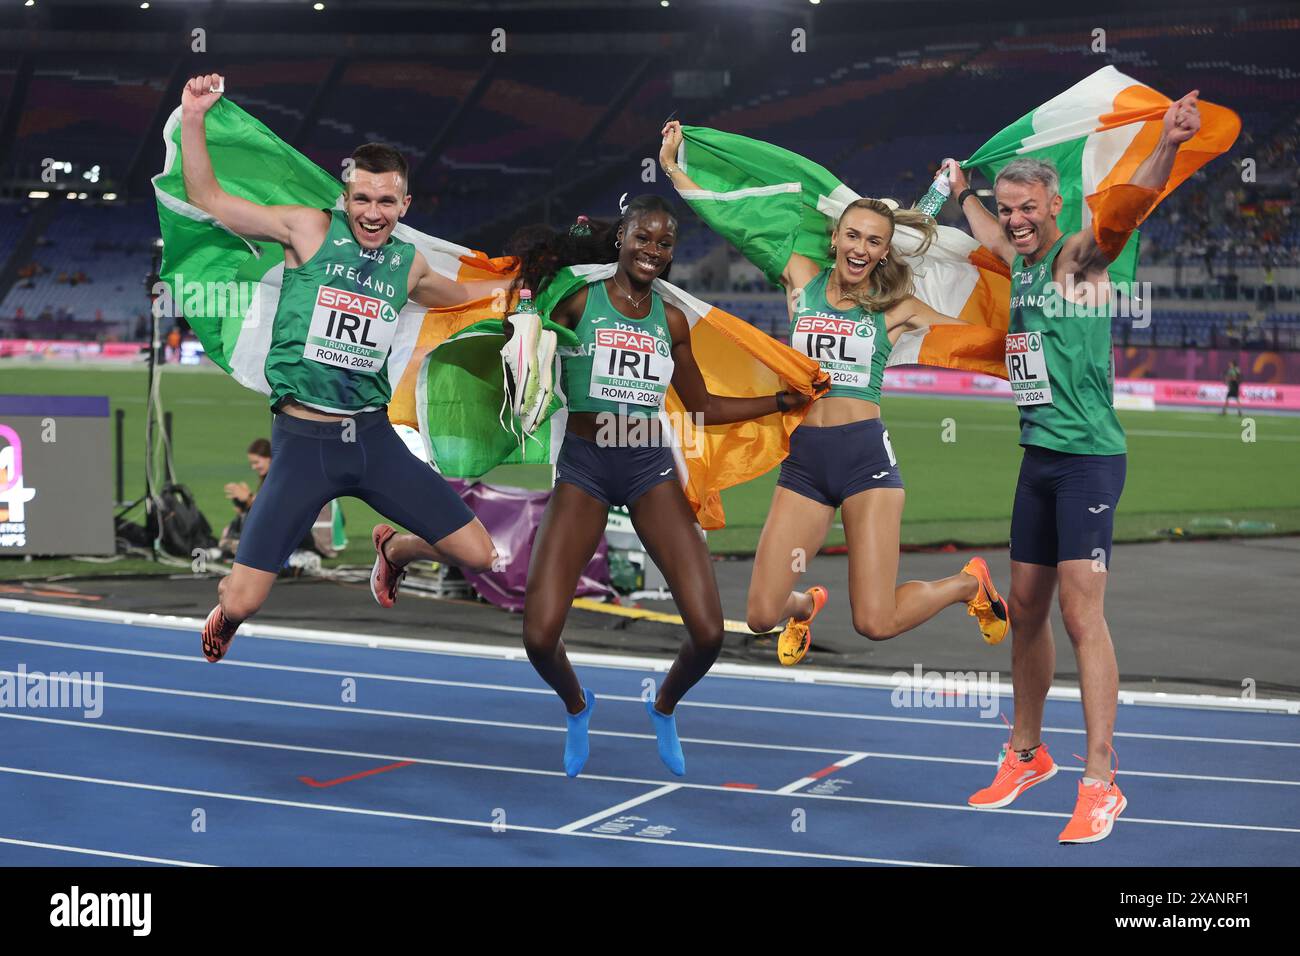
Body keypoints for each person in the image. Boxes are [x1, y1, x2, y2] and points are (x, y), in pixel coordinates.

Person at [659, 121, 1010, 671]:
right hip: (805, 464)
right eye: (853, 236)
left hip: (865, 461)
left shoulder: (899, 306)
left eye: (874, 241)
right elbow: (742, 225)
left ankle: (967, 585)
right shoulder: (801, 278)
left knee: (876, 621)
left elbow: (978, 342)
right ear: (835, 238)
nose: (861, 248)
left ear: (883, 250)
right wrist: (678, 172)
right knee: (759, 613)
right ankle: (805, 605)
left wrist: (1047, 338)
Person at [945, 90, 1202, 843]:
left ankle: (1101, 780)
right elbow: (984, 229)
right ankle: (1027, 754)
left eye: (1030, 207)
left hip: (1090, 459)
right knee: (1024, 608)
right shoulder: (1017, 257)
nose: (1017, 218)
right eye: (1010, 207)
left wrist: (1167, 144)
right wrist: (962, 191)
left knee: (1080, 613)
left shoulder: (1073, 258)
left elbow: (1123, 216)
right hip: (1039, 461)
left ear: (1056, 202)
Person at [179, 73, 502, 663]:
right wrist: (195, 116)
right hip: (303, 446)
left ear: (405, 205)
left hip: (374, 442)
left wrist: (530, 288)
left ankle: (395, 552)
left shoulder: (409, 264)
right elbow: (210, 200)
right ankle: (227, 608)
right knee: (246, 602)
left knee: (481, 555)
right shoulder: (307, 230)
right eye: (362, 199)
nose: (373, 213)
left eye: (386, 202)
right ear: (344, 198)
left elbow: (462, 295)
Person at [503, 195, 813, 778]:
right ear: (620, 238)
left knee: (709, 632)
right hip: (586, 467)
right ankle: (578, 704)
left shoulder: (671, 320)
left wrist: (776, 401)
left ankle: (663, 705)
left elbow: (698, 406)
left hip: (649, 466)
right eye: (643, 238)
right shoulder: (574, 302)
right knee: (540, 637)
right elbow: (520, 344)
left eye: (665, 243)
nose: (653, 251)